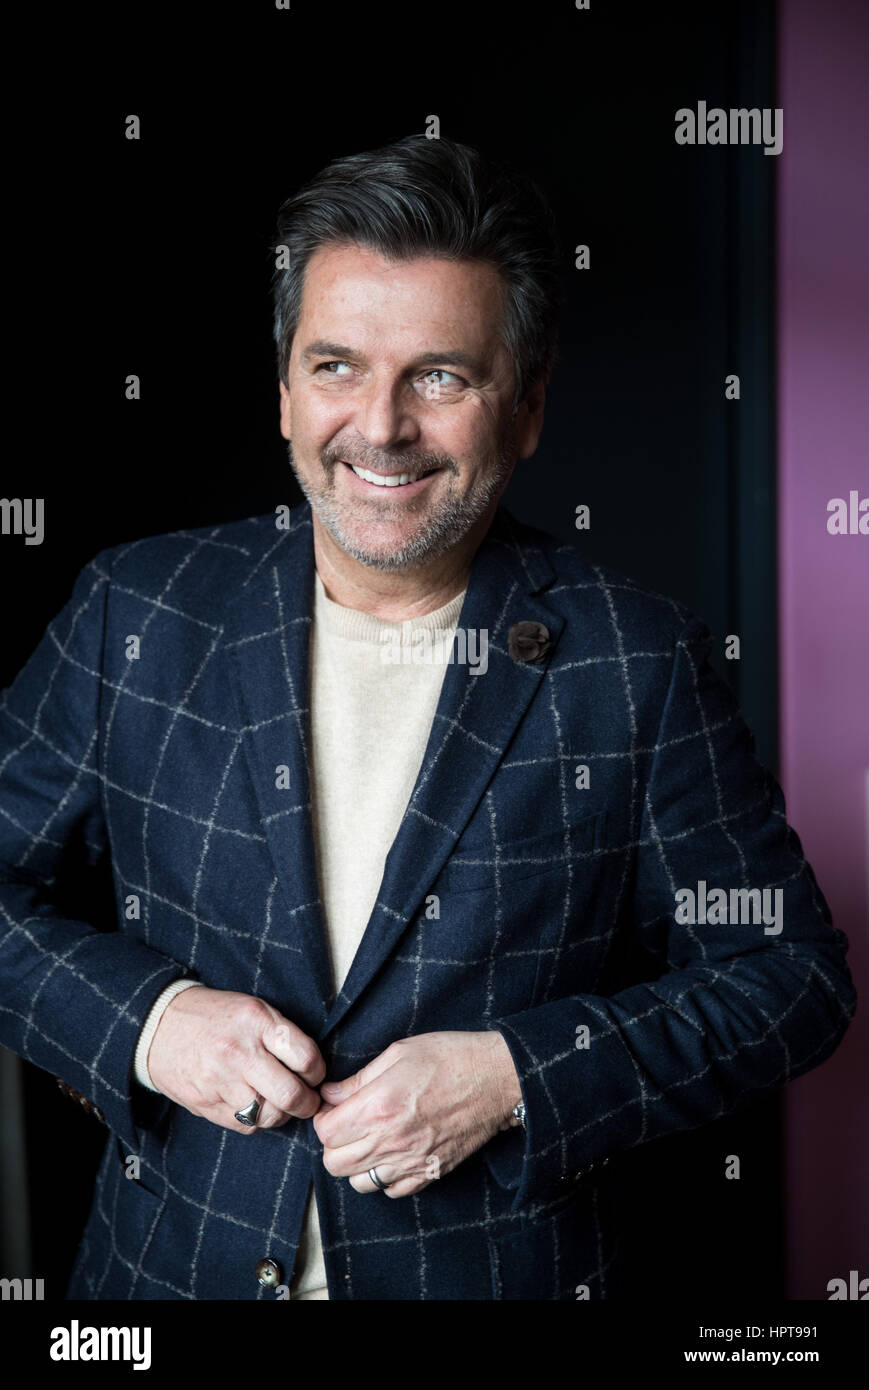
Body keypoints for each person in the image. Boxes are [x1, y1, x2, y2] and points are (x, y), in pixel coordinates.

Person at [0, 136, 856, 1301]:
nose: (382, 425)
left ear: (528, 407)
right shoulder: (133, 607)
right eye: (337, 366)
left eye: (440, 376)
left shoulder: (636, 657)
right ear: (286, 388)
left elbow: (787, 980)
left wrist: (516, 1077)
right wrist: (148, 1024)